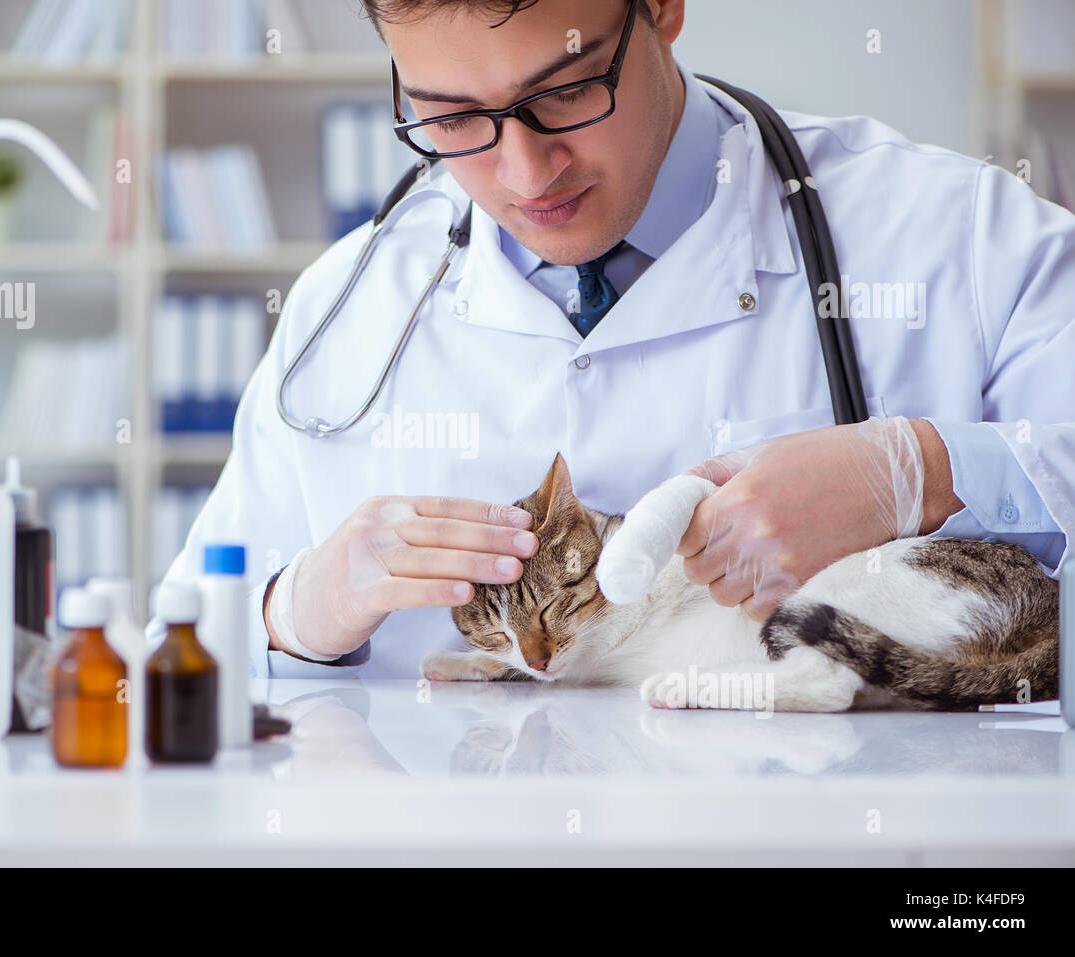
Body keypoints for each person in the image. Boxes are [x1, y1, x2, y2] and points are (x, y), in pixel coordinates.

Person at [148, 0, 1075, 679]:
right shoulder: (343, 306)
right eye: (450, 116)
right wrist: (295, 613)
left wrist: (928, 467)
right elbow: (172, 655)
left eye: (566, 90)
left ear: (662, 11)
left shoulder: (955, 233)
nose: (523, 171)